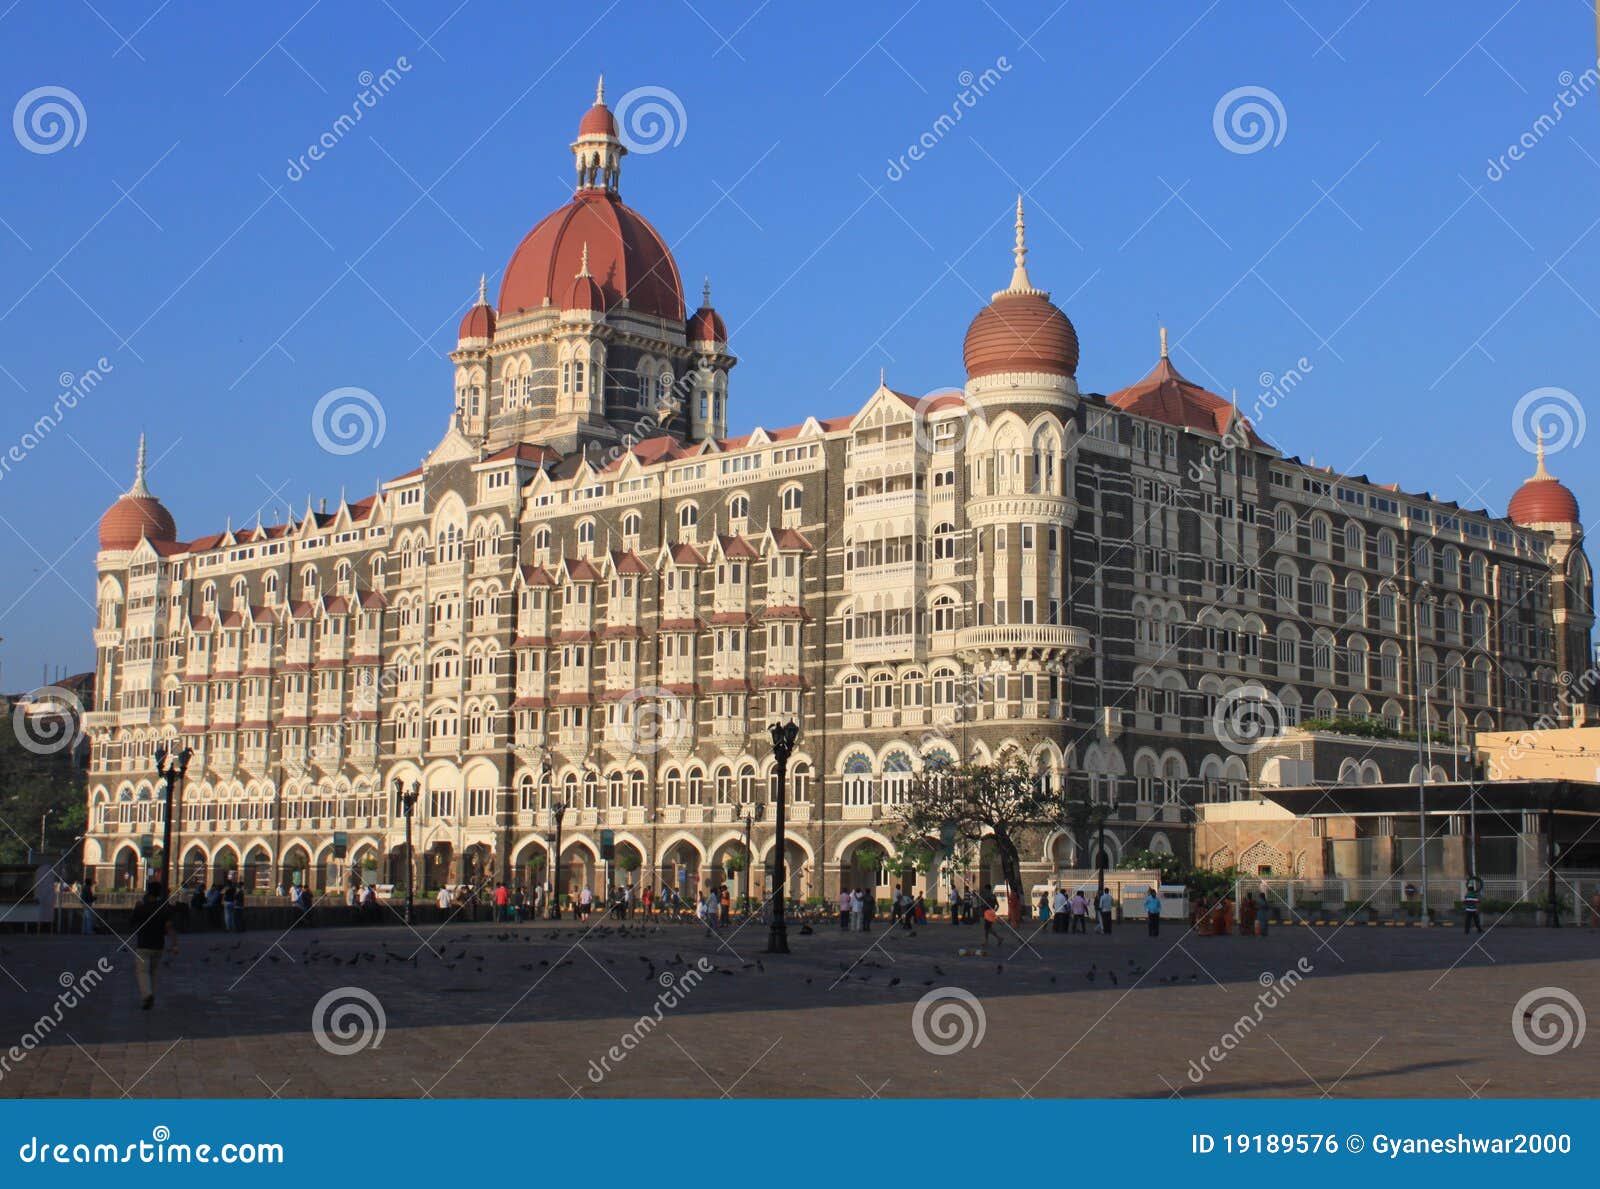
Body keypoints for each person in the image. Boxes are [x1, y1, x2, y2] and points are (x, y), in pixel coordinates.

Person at [129, 881, 177, 1010]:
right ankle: (150, 994)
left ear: (147, 892)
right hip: (158, 945)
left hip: (143, 945)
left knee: (142, 972)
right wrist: (175, 944)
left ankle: (147, 994)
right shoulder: (163, 909)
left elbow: (131, 921)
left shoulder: (141, 907)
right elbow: (169, 927)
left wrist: (136, 908)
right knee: (153, 973)